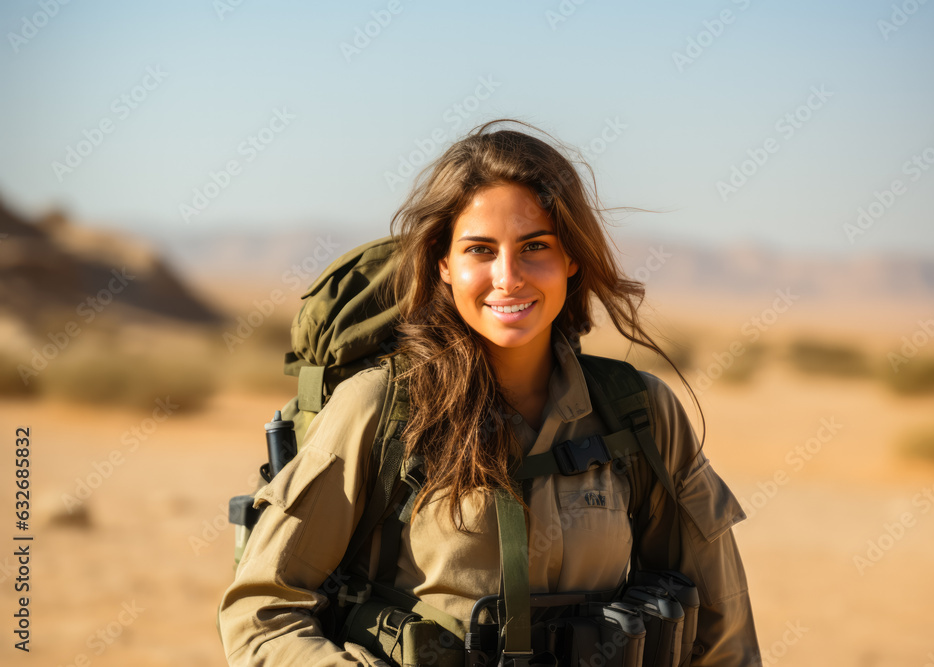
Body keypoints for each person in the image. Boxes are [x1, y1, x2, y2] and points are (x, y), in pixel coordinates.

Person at [218, 119, 761, 666]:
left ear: (571, 258)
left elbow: (723, 633)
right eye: (480, 249)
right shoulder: (380, 407)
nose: (508, 277)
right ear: (444, 264)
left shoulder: (638, 412)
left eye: (535, 246)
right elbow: (261, 610)